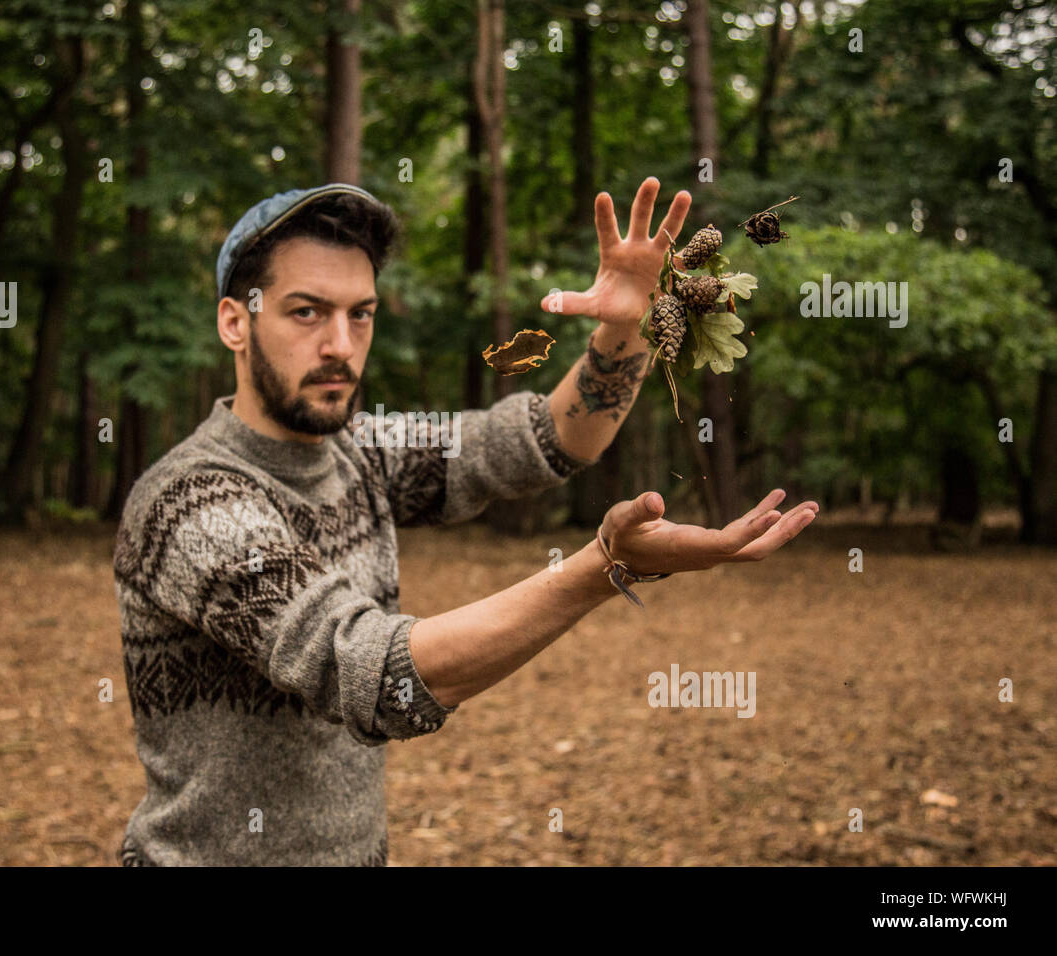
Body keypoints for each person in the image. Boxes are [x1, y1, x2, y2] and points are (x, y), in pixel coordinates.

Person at [113, 179, 818, 866]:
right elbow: (371, 671)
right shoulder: (189, 500)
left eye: (361, 313)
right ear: (235, 321)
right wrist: (604, 568)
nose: (340, 343)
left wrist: (626, 326)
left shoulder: (358, 452)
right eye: (306, 312)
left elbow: (548, 439)